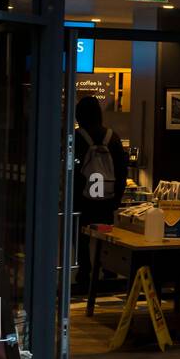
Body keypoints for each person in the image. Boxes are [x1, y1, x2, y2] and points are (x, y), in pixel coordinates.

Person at [73, 96, 128, 295]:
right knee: (106, 237)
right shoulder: (113, 137)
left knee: (81, 236)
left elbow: (71, 168)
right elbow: (122, 170)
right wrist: (117, 198)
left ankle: (84, 274)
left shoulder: (78, 137)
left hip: (81, 198)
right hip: (107, 198)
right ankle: (109, 272)